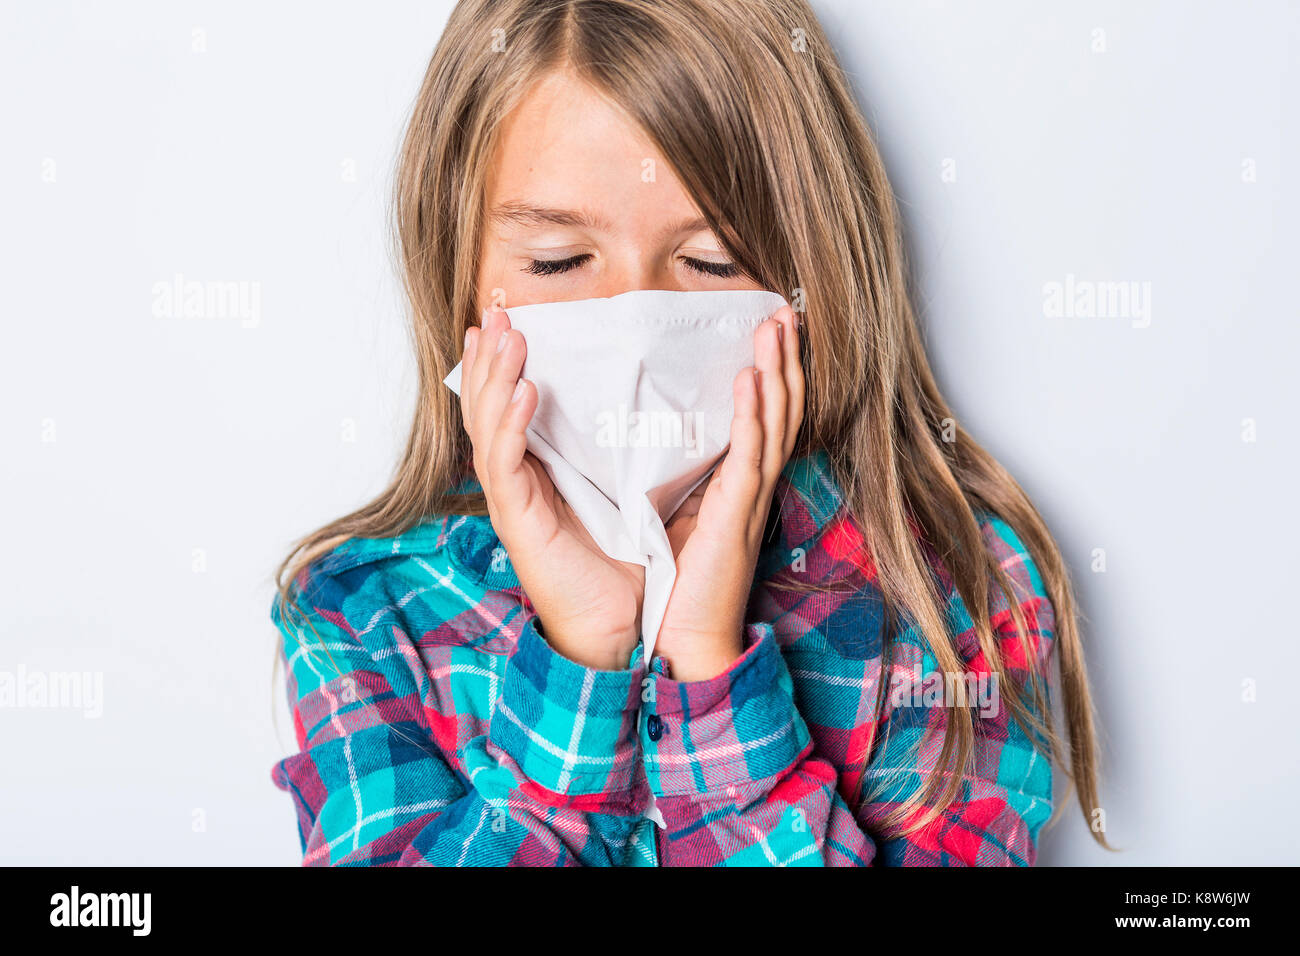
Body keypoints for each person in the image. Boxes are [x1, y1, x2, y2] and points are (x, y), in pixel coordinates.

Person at [271, 0, 1105, 866]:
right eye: (557, 261)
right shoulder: (363, 617)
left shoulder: (952, 604)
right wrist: (581, 657)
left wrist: (711, 668)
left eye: (712, 263)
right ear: (459, 276)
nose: (635, 331)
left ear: (812, 276)